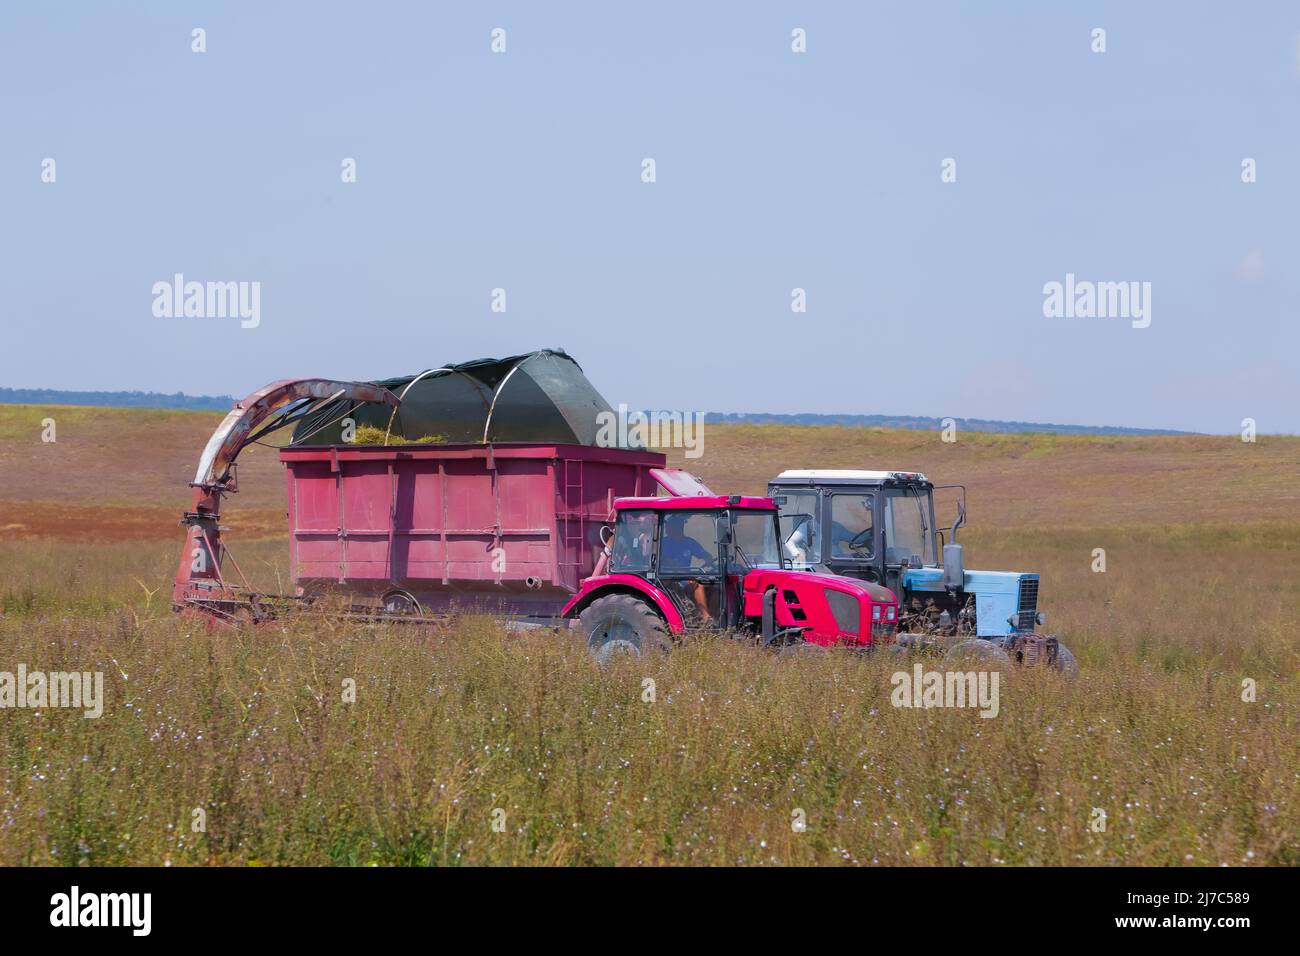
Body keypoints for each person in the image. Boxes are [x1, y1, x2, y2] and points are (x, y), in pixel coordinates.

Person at [659, 514, 715, 622]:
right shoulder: (663, 543)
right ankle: (703, 616)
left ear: (679, 527)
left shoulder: (689, 542)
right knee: (696, 584)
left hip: (684, 577)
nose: (667, 528)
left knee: (708, 585)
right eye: (668, 526)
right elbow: (664, 560)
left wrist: (708, 558)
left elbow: (704, 554)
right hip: (667, 578)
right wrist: (671, 564)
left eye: (671, 526)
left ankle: (710, 617)